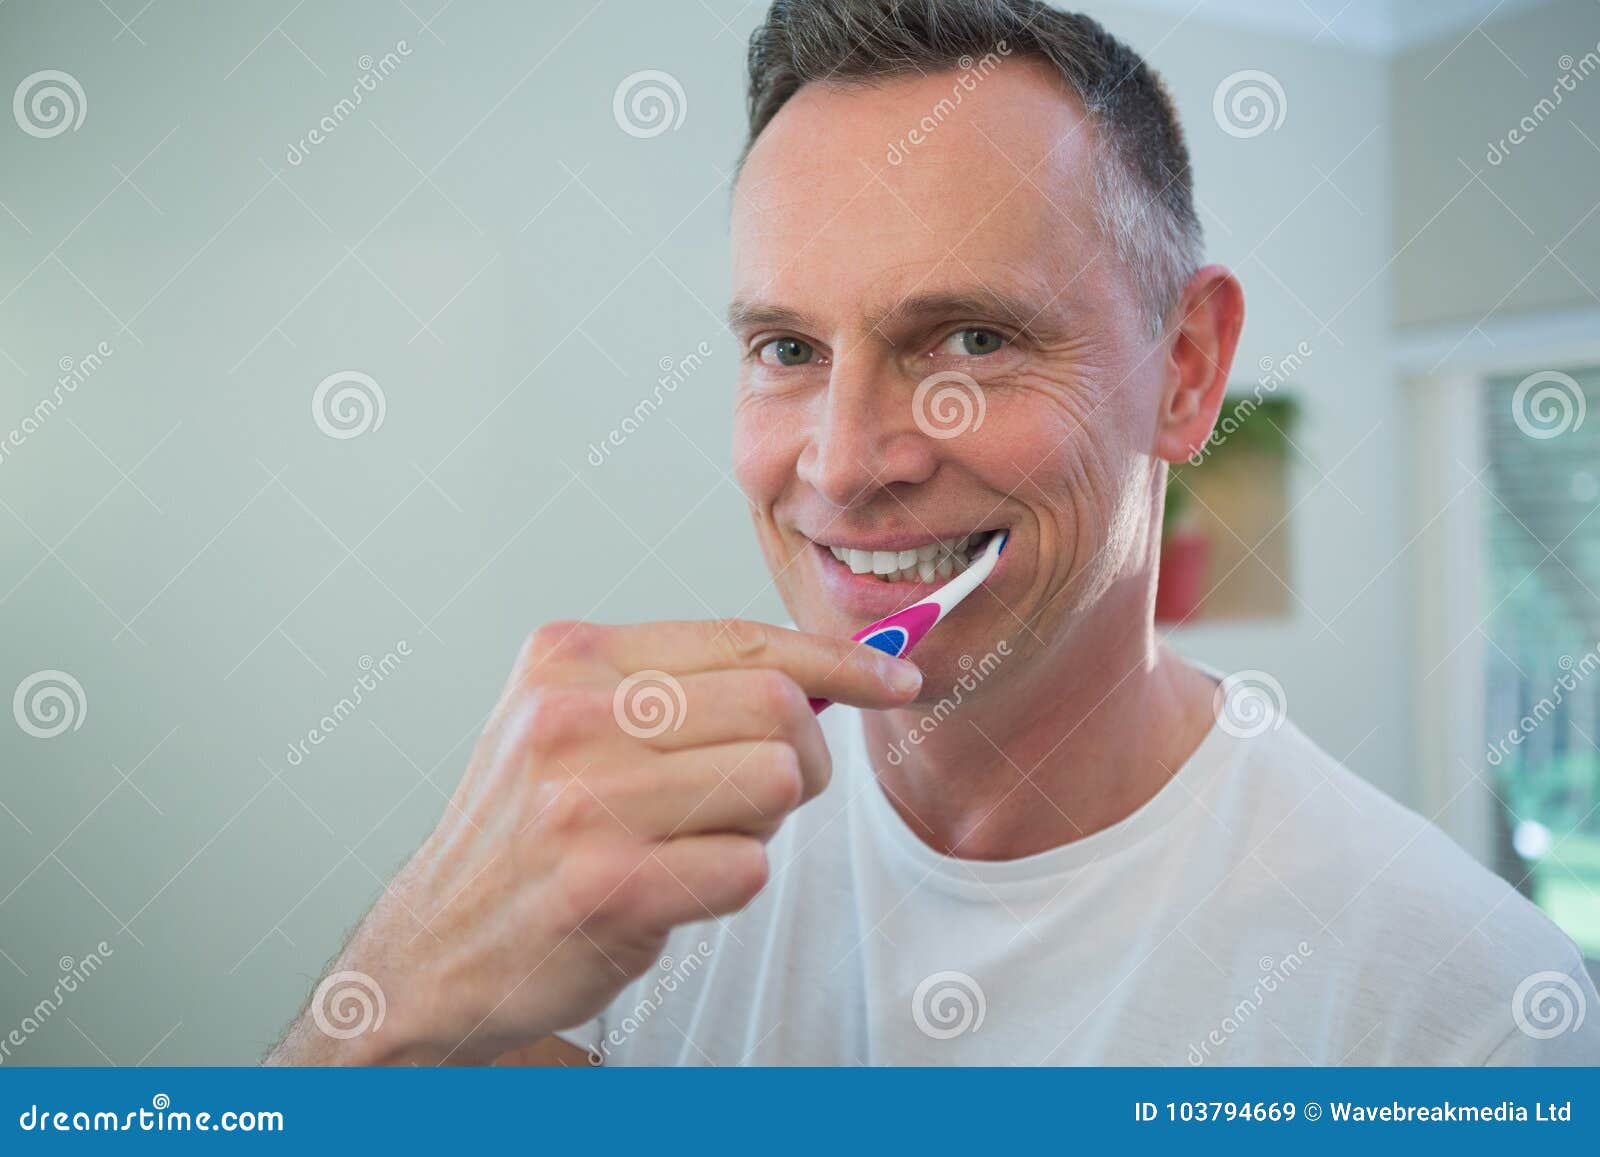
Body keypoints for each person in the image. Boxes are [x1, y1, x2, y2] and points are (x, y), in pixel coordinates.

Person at [267, 0, 1599, 1066]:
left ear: (1187, 372)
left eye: (970, 338)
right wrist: (396, 992)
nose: (844, 464)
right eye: (787, 347)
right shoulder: (625, 875)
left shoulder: (1467, 1013)